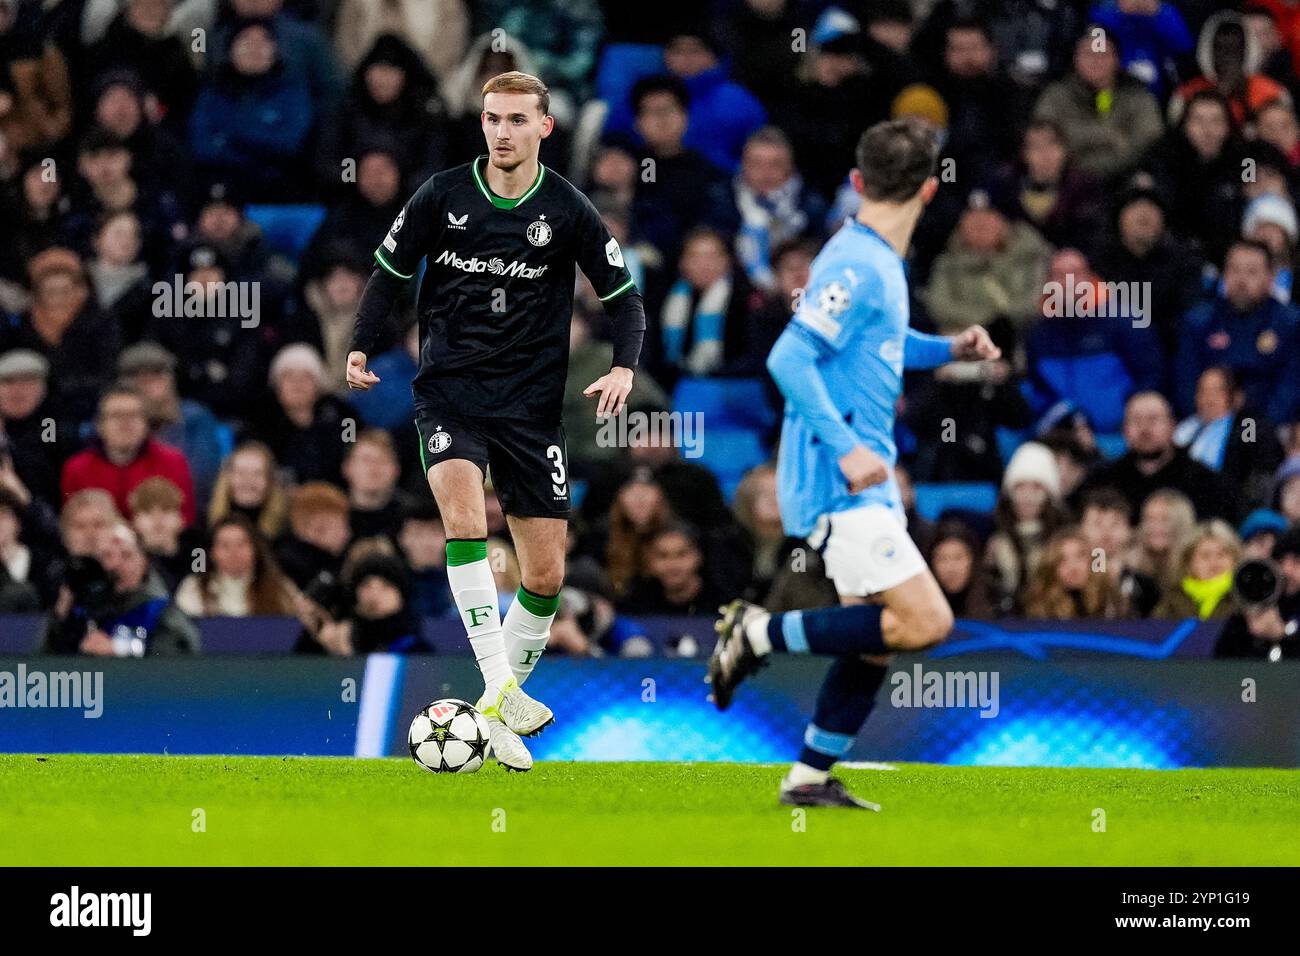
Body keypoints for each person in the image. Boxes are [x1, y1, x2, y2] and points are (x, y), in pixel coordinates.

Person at [346, 71, 647, 772]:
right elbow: (388, 274)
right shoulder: (442, 195)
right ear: (479, 124)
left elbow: (624, 300)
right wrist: (362, 341)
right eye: (491, 119)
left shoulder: (567, 209)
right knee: (465, 522)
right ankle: (504, 686)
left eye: (517, 120)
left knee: (545, 576)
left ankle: (486, 714)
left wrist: (625, 366)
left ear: (545, 127)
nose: (502, 132)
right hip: (449, 391)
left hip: (531, 409)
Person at [708, 118, 1001, 809]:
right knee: (926, 622)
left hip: (855, 472)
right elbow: (788, 357)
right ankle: (754, 632)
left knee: (874, 635)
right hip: (841, 478)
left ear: (858, 182)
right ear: (931, 190)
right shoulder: (857, 263)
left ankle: (808, 778)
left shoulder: (867, 259)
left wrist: (949, 348)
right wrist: (847, 447)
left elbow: (880, 342)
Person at [39, 522, 200, 655]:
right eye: (107, 556)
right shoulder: (83, 610)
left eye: (126, 555)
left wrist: (118, 648)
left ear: (144, 562)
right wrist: (61, 616)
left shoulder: (160, 609)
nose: (115, 565)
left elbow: (179, 658)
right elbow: (46, 657)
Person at [60, 383, 198, 527]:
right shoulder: (77, 468)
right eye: (116, 416)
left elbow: (185, 519)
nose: (125, 423)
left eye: (134, 415)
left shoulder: (173, 462)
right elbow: (72, 525)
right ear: (100, 426)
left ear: (146, 423)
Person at [175, 514, 295, 618]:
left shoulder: (279, 587)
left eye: (241, 544)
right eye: (225, 545)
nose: (234, 552)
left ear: (255, 549)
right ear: (212, 553)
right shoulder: (194, 587)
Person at [1151, 520, 1242, 620]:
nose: (1214, 562)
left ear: (1235, 558)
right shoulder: (1172, 599)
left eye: (1222, 554)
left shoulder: (1244, 595)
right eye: (1205, 556)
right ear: (1189, 564)